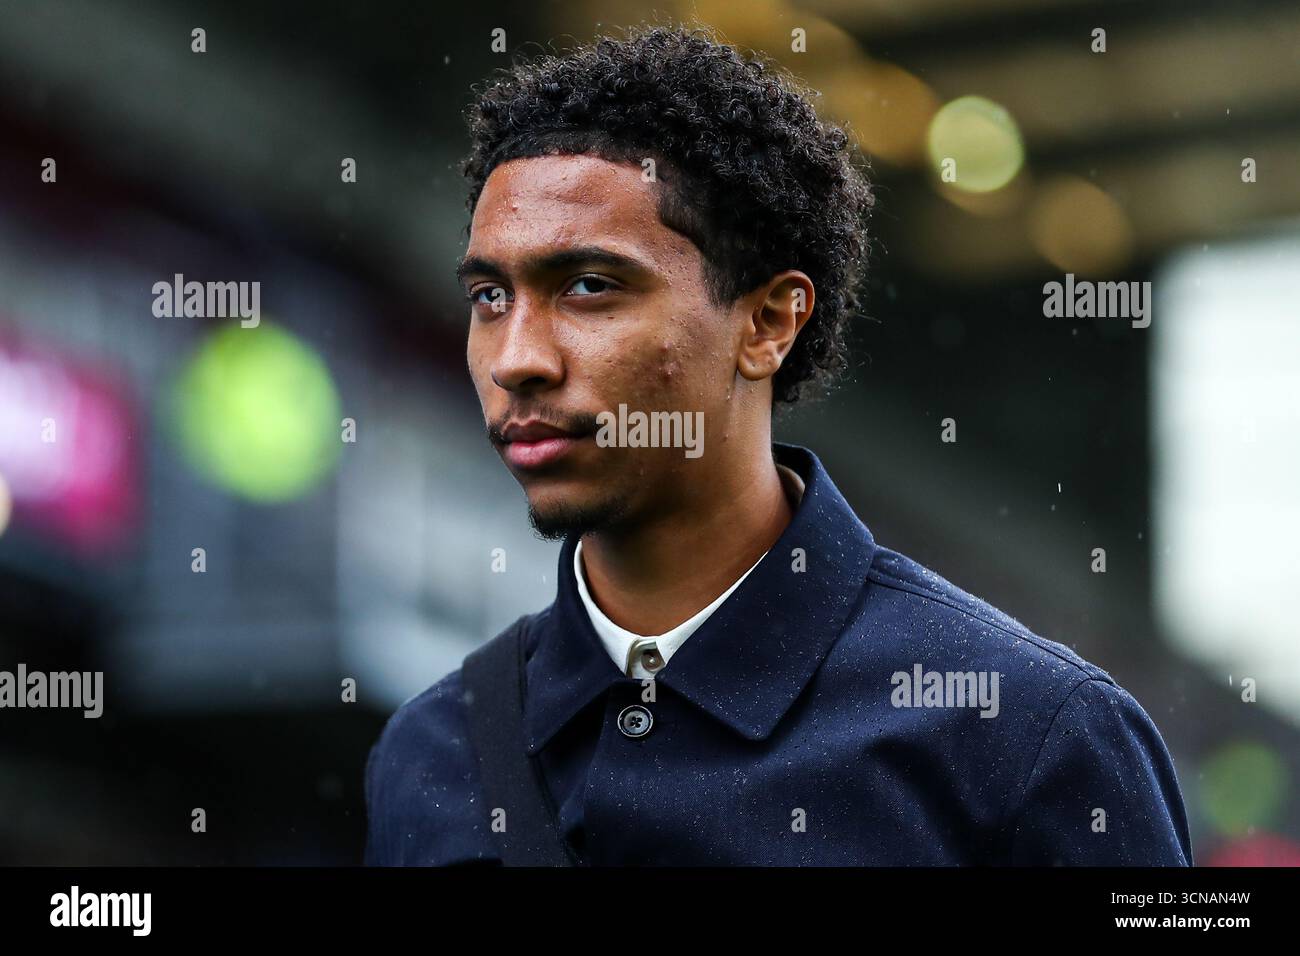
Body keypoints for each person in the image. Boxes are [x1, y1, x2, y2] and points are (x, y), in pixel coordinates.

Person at [363, 25, 1192, 866]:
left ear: (766, 323)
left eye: (588, 286)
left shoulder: (1030, 736)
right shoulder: (429, 752)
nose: (517, 360)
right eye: (489, 296)